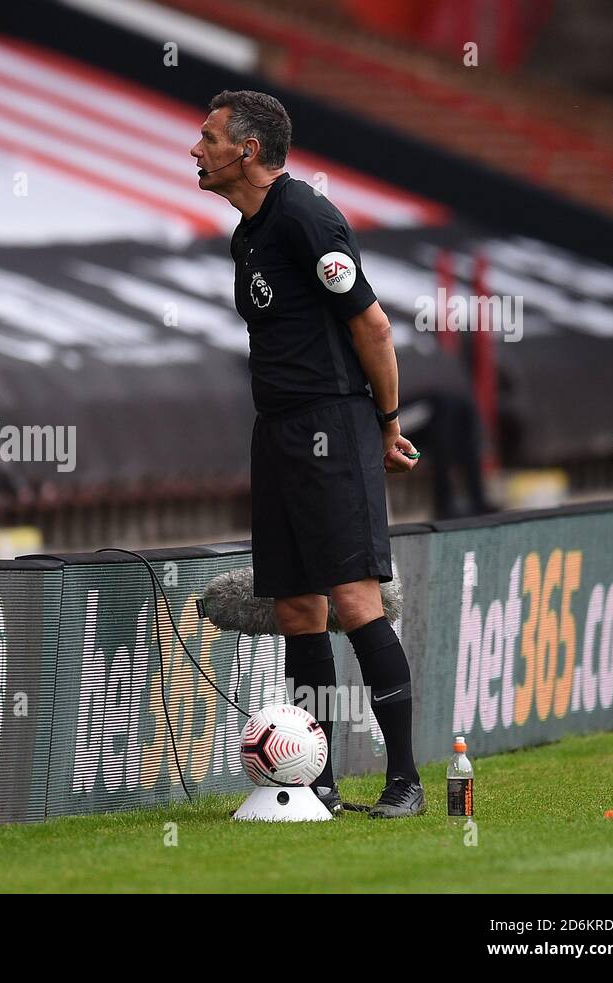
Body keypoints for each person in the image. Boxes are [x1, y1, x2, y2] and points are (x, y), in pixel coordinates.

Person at [192, 90, 425, 818]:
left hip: (335, 422)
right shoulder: (247, 234)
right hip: (279, 430)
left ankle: (407, 781)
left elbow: (375, 328)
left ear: (247, 151)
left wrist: (385, 425)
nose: (195, 150)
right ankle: (314, 778)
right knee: (297, 606)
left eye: (208, 138)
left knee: (354, 600)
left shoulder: (305, 218)